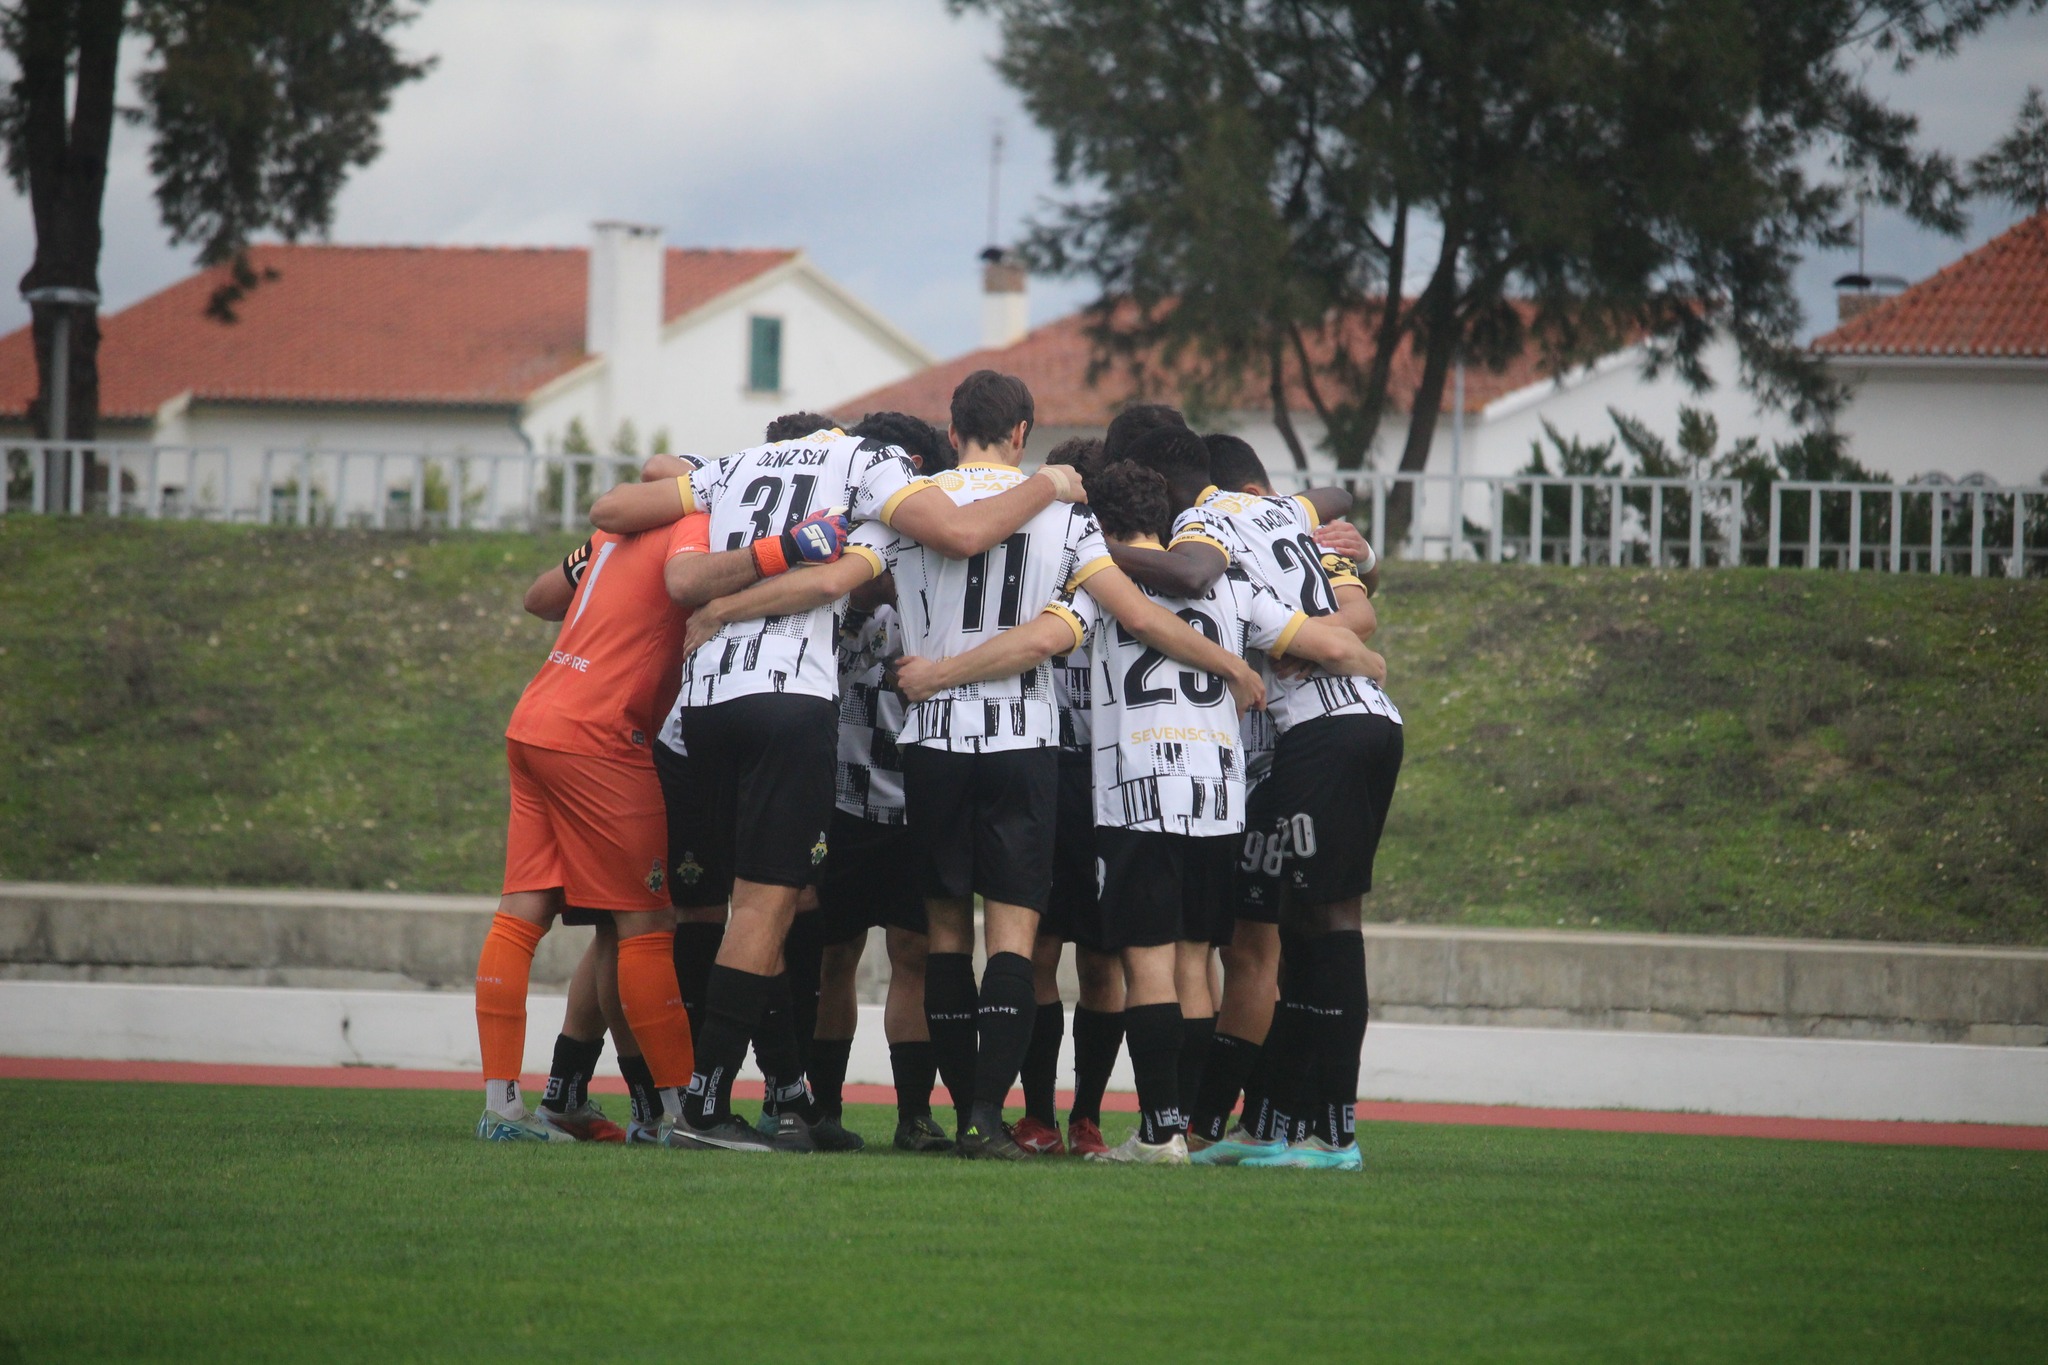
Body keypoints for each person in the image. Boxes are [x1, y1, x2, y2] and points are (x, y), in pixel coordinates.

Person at [674, 371, 1266, 1159]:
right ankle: (988, 1116)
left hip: (933, 743)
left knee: (946, 936)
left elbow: (824, 582)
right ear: (1022, 433)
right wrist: (1228, 665)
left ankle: (954, 1118)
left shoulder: (916, 504)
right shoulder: (1062, 511)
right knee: (1013, 942)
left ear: (953, 433)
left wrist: (720, 608)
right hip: (1023, 741)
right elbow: (1136, 615)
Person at [589, 402, 1085, 1153]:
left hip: (704, 704)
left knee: (737, 911)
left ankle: (762, 1094)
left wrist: (725, 595)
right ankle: (709, 1102)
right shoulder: (868, 468)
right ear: (912, 467)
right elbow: (956, 533)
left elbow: (615, 507)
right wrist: (1048, 480)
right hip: (789, 697)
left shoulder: (747, 462)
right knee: (768, 908)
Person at [894, 448, 1384, 1163]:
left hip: (1139, 790)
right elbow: (1327, 637)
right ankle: (1183, 1125)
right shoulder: (1233, 587)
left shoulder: (1101, 585)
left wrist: (939, 674)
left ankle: (1158, 1133)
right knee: (1192, 962)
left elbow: (1042, 638)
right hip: (1220, 798)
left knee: (1146, 964)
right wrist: (1361, 659)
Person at [474, 465, 851, 1143]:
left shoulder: (610, 535)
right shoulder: (695, 525)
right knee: (645, 926)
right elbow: (686, 581)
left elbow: (538, 598)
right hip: (603, 735)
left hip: (536, 718)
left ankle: (506, 1106)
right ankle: (680, 1110)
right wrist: (786, 548)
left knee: (522, 915)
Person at [1110, 428, 1401, 1171]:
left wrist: (1087, 553)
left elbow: (1188, 572)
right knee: (1295, 926)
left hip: (1320, 730)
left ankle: (1333, 1133)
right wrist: (1361, 563)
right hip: (1348, 721)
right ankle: (1274, 1119)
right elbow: (1338, 512)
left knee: (1326, 923)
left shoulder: (1207, 521)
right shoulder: (1282, 511)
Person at [809, 411, 958, 1154]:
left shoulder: (952, 558)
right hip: (841, 793)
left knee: (914, 954)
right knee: (833, 954)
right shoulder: (841, 544)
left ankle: (913, 1115)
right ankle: (823, 1108)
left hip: (920, 792)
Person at [1010, 436, 1122, 1159]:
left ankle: (1084, 1117)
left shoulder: (1127, 570)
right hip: (1052, 768)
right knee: (1046, 946)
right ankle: (1045, 1115)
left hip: (1104, 778)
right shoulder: (1038, 559)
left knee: (1101, 958)